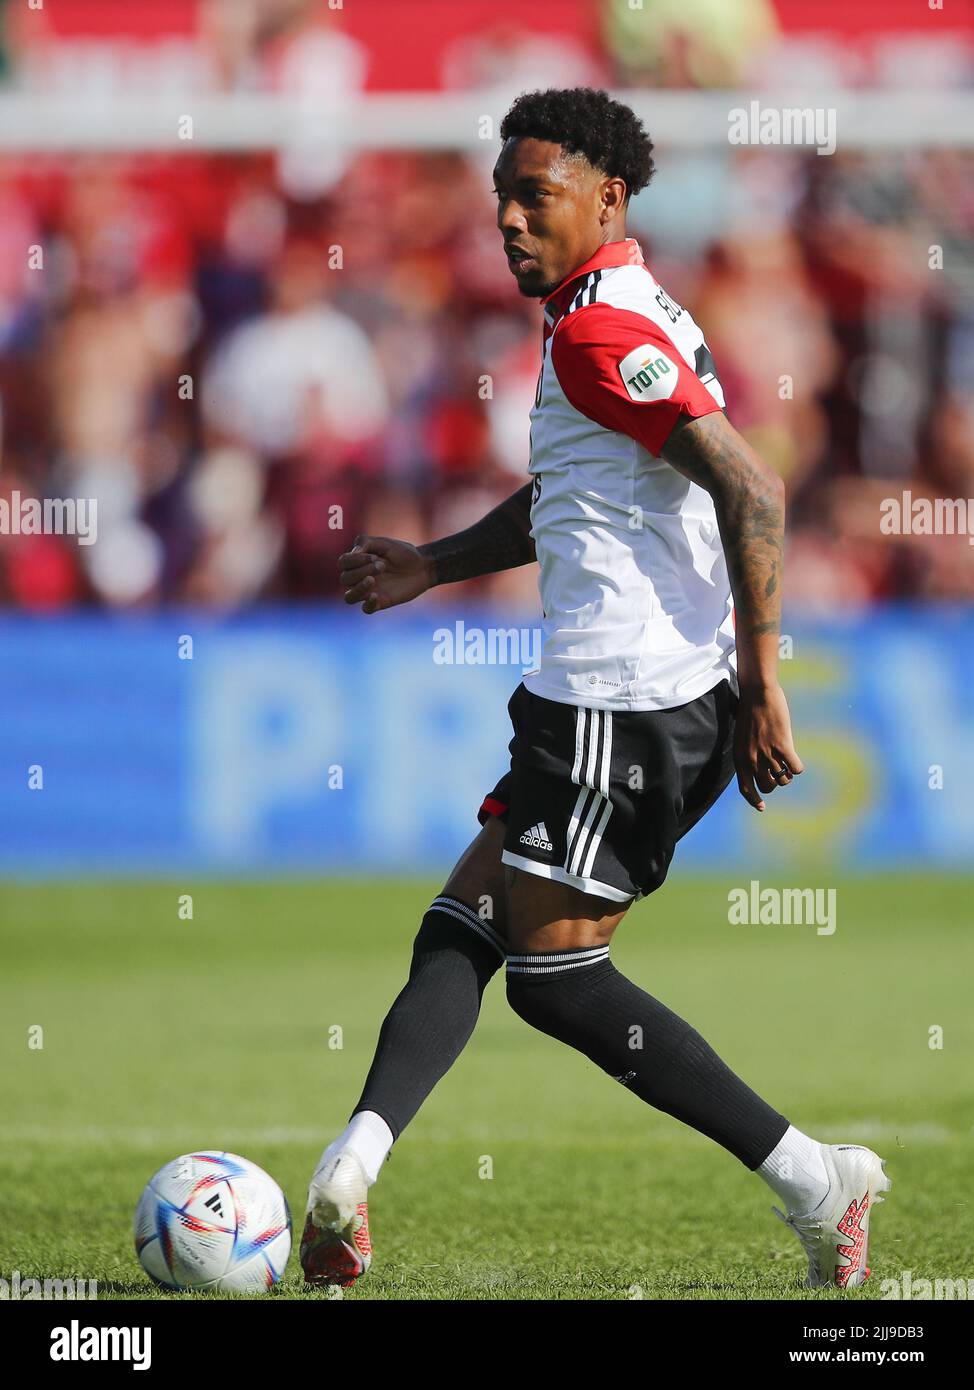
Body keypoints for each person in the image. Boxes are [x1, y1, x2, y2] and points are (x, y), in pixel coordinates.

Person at [300, 88, 890, 1292]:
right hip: (603, 697)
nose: (509, 222)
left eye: (536, 196)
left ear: (607, 196)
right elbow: (574, 495)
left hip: (622, 705)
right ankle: (350, 1167)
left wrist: (766, 679)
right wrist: (433, 564)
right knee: (465, 915)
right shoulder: (616, 314)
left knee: (557, 980)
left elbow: (751, 488)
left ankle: (814, 1181)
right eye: (501, 200)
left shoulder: (593, 332)